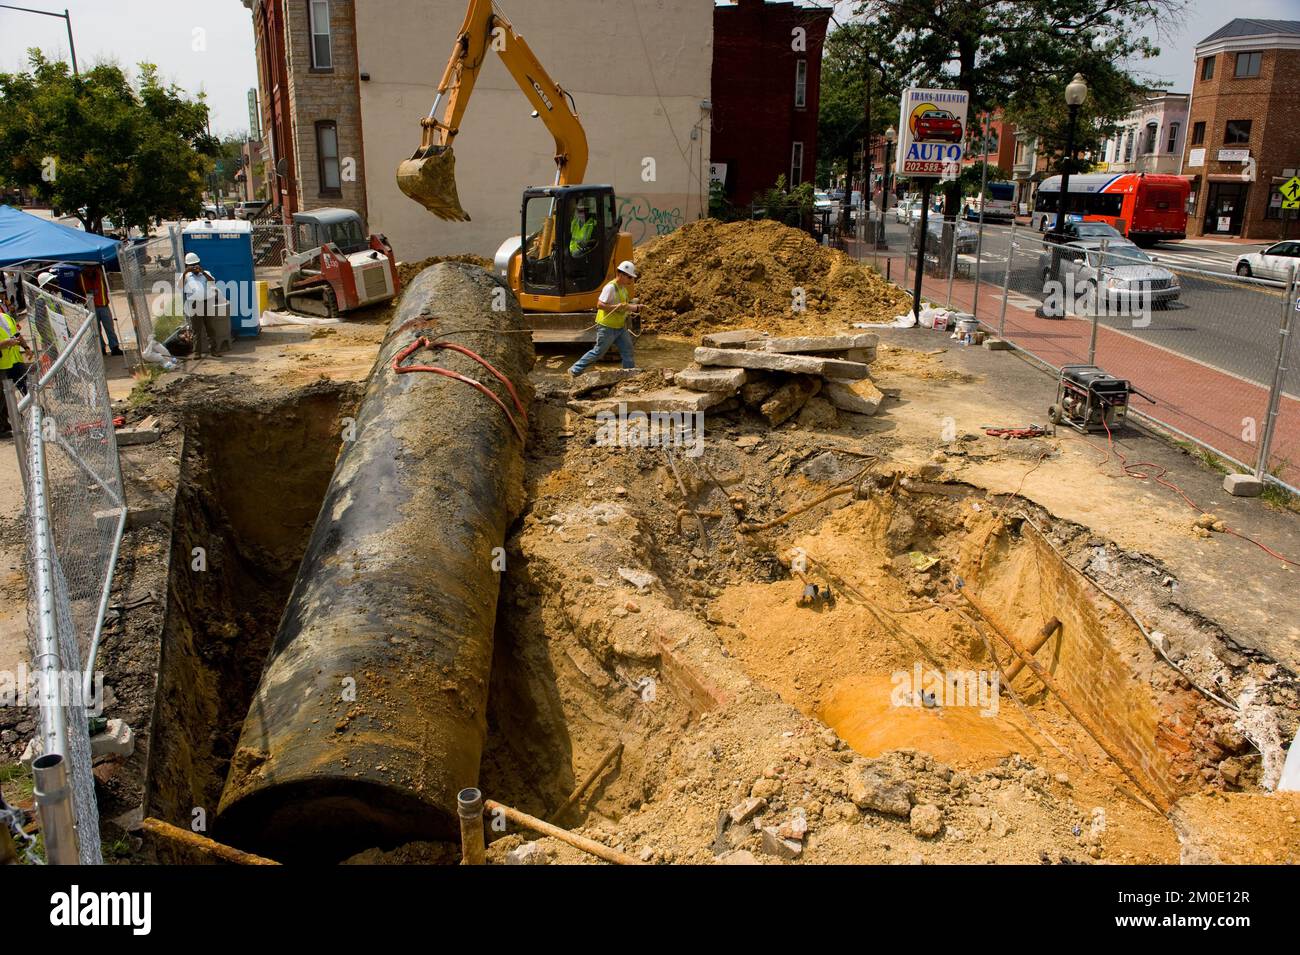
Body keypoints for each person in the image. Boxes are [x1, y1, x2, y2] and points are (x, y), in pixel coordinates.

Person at [568, 260, 641, 377]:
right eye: (629, 277)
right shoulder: (610, 288)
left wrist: (636, 308)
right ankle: (575, 369)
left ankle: (629, 374)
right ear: (620, 274)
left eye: (631, 277)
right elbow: (600, 305)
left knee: (628, 350)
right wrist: (615, 307)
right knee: (598, 352)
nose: (631, 280)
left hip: (620, 327)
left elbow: (624, 306)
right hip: (607, 327)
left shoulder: (623, 289)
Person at [181, 252, 227, 359]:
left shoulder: (206, 273)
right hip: (194, 304)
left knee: (210, 328)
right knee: (196, 330)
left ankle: (214, 350)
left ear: (199, 263)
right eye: (191, 265)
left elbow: (212, 282)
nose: (194, 267)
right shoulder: (186, 276)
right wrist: (185, 273)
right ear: (187, 266)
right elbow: (179, 286)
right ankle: (197, 353)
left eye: (196, 264)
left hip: (207, 303)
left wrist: (203, 272)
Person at [0, 295, 33, 438]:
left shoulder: (6, 317)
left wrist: (26, 347)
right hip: (1, 365)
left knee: (27, 385)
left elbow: (17, 334)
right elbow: (8, 340)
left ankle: (37, 411)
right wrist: (6, 343)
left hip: (15, 360)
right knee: (2, 398)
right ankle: (3, 428)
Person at [80, 265, 122, 357]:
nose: (90, 270)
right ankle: (101, 348)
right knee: (96, 331)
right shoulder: (81, 276)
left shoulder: (100, 272)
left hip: (103, 306)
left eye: (91, 268)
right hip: (91, 308)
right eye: (88, 268)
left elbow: (109, 285)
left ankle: (114, 347)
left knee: (110, 328)